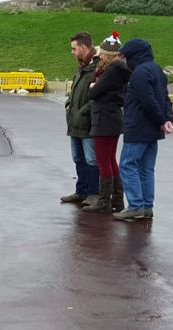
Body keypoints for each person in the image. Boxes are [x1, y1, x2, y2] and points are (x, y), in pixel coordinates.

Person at [114, 38, 173, 222]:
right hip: (153, 130)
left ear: (134, 56)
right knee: (146, 169)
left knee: (127, 164)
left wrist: (161, 119)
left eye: (126, 57)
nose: (125, 61)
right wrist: (166, 119)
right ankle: (147, 207)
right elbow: (165, 98)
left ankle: (135, 206)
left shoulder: (139, 73)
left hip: (138, 127)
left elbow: (147, 100)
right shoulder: (157, 70)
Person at [82, 31, 131, 214]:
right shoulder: (120, 70)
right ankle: (117, 199)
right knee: (110, 159)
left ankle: (104, 200)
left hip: (104, 119)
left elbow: (94, 93)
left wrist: (93, 86)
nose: (98, 55)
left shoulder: (111, 71)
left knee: (103, 160)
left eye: (101, 52)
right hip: (113, 118)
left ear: (107, 55)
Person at [62, 32, 100, 205]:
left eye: (74, 48)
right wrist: (70, 102)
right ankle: (81, 191)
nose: (72, 52)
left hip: (88, 123)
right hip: (75, 122)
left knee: (91, 159)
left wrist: (83, 111)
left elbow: (97, 96)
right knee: (78, 157)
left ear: (84, 47)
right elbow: (77, 89)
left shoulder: (97, 68)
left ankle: (93, 194)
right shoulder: (81, 67)